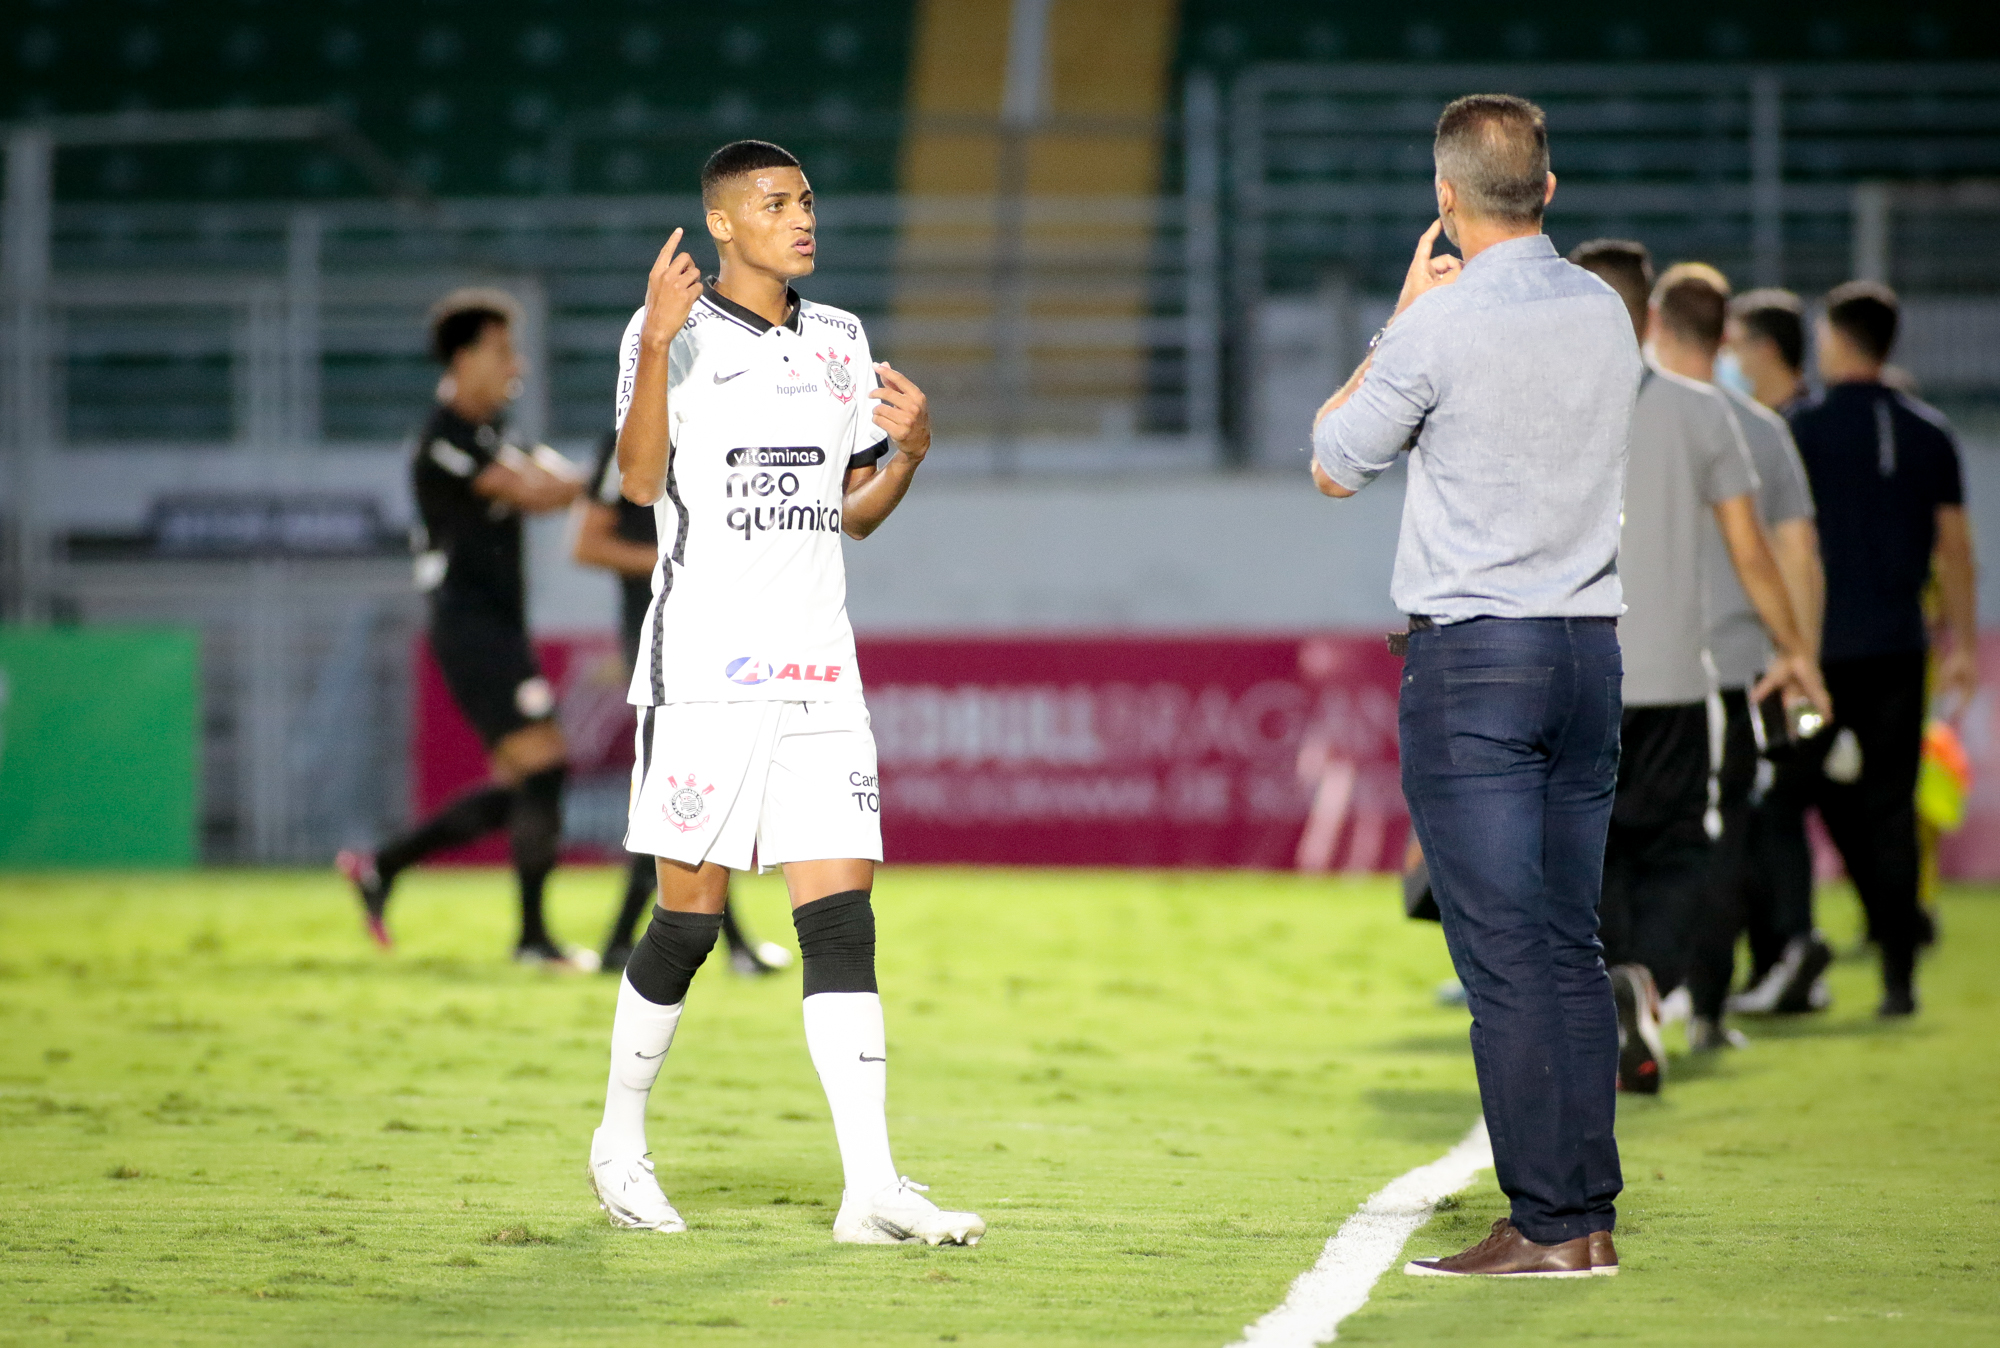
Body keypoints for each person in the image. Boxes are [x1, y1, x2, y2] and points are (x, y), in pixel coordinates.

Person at [585, 139, 983, 1246]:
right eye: (774, 201)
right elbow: (633, 480)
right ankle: (618, 1143)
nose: (800, 215)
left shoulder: (843, 339)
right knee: (688, 918)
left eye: (806, 196)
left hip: (820, 670)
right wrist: (659, 341)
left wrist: (907, 455)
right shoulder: (667, 333)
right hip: (706, 671)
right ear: (722, 223)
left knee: (840, 922)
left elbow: (850, 510)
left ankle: (871, 1189)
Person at [1314, 94, 1635, 1279]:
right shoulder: (1606, 310)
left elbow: (1334, 460)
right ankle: (1583, 1213)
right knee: (1566, 943)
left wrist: (1397, 320)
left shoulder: (1438, 324)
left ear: (1444, 199)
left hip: (1476, 663)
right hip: (1588, 652)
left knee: (1499, 956)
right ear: (1546, 189)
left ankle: (1547, 1222)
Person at [1572, 260, 1829, 1093]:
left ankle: (1616, 991)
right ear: (1648, 313)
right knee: (1686, 845)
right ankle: (1654, 982)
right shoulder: (1702, 411)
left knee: (1594, 846)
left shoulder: (1549, 406)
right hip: (1680, 678)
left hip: (1578, 673)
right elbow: (1756, 550)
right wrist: (1795, 649)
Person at [336, 290, 587, 966]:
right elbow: (540, 490)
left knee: (526, 784)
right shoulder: (444, 439)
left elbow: (550, 478)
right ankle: (532, 941)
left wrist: (582, 476)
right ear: (466, 355)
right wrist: (620, 460)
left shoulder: (488, 435)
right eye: (504, 350)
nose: (517, 365)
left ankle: (383, 866)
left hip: (496, 626)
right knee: (546, 767)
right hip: (470, 627)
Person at [1785, 281, 1979, 1017]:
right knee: (1891, 809)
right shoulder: (1928, 431)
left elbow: (1789, 546)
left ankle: (1794, 950)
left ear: (1835, 339)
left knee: (1789, 794)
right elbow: (1958, 552)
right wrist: (1959, 641)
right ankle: (1900, 976)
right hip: (1901, 651)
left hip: (1817, 660)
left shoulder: (1800, 428)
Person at [1653, 268, 1827, 1050]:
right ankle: (1710, 1011)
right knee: (1724, 843)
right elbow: (1797, 554)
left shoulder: (1636, 419)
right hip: (1738, 672)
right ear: (1726, 336)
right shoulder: (1761, 429)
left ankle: (1640, 987)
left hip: (1648, 666)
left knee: (1636, 841)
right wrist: (1800, 656)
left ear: (1657, 323)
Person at [573, 430, 793, 978]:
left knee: (690, 784)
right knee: (682, 783)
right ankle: (724, 945)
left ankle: (626, 943)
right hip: (663, 634)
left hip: (719, 631)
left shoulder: (728, 419)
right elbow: (589, 543)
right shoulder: (632, 435)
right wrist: (681, 560)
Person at [1713, 288, 1832, 1011]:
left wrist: (1798, 654)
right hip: (1789, 649)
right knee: (1772, 808)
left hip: (1768, 654)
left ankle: (1785, 951)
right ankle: (1783, 957)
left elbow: (1793, 553)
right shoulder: (1777, 428)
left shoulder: (1766, 432)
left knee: (1767, 812)